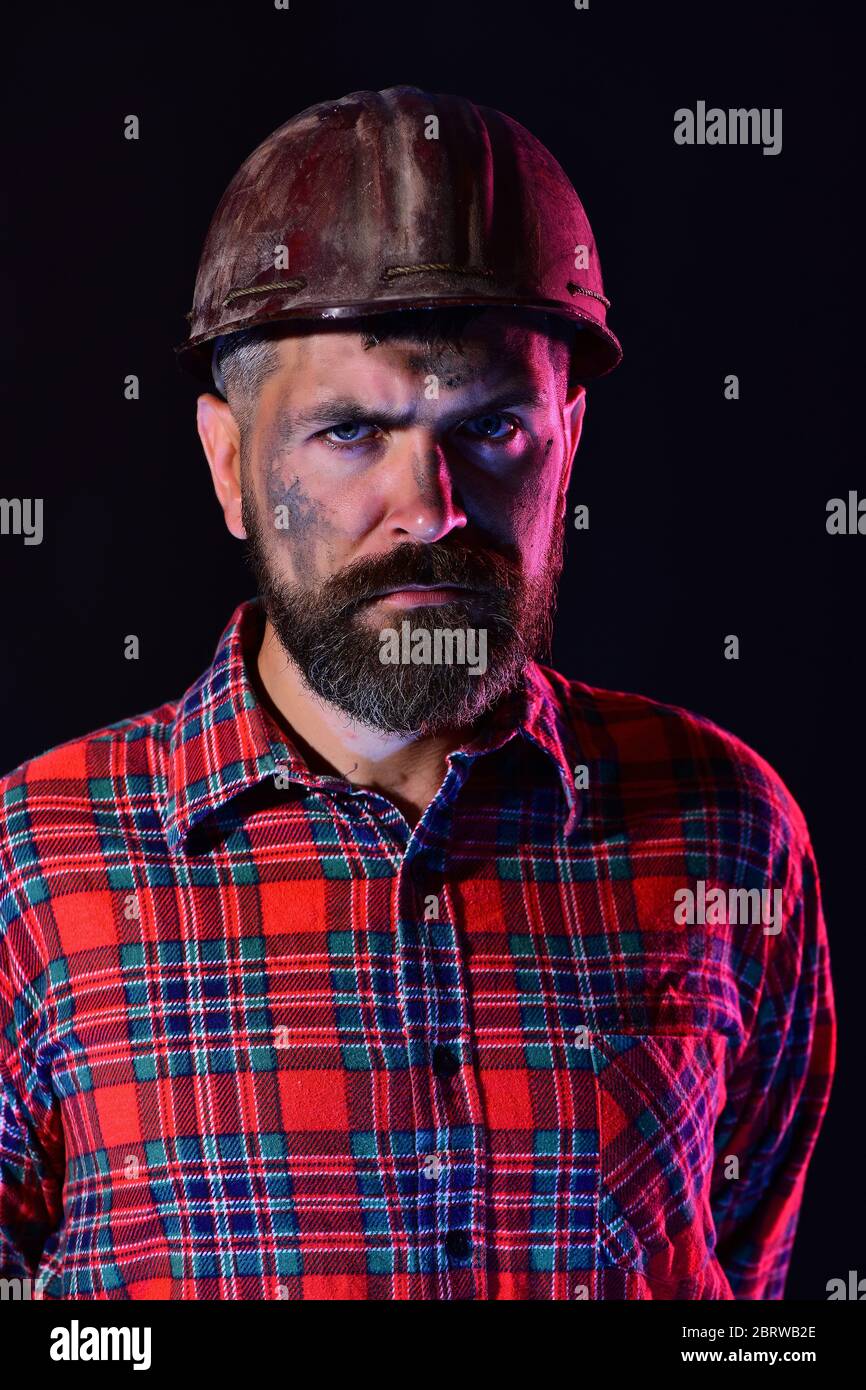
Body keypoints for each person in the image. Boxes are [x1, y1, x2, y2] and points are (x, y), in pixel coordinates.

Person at [0, 87, 835, 1300]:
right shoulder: (31, 870)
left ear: (568, 444)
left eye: (491, 426)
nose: (431, 506)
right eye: (349, 432)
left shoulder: (730, 832)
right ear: (231, 466)